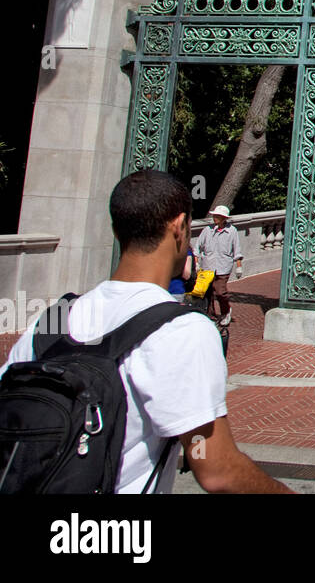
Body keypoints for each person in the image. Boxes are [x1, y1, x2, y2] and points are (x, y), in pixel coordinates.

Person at [0, 170, 291, 493]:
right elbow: (216, 469)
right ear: (180, 227)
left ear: (116, 229)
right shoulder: (183, 330)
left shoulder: (50, 321)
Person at [195, 204, 242, 328]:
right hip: (207, 266)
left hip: (223, 267)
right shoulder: (207, 230)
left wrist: (238, 266)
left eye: (218, 216)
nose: (215, 218)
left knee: (221, 292)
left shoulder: (232, 231)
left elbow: (236, 250)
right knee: (208, 293)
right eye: (214, 215)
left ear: (224, 218)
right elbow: (197, 247)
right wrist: (196, 262)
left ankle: (226, 311)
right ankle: (211, 315)